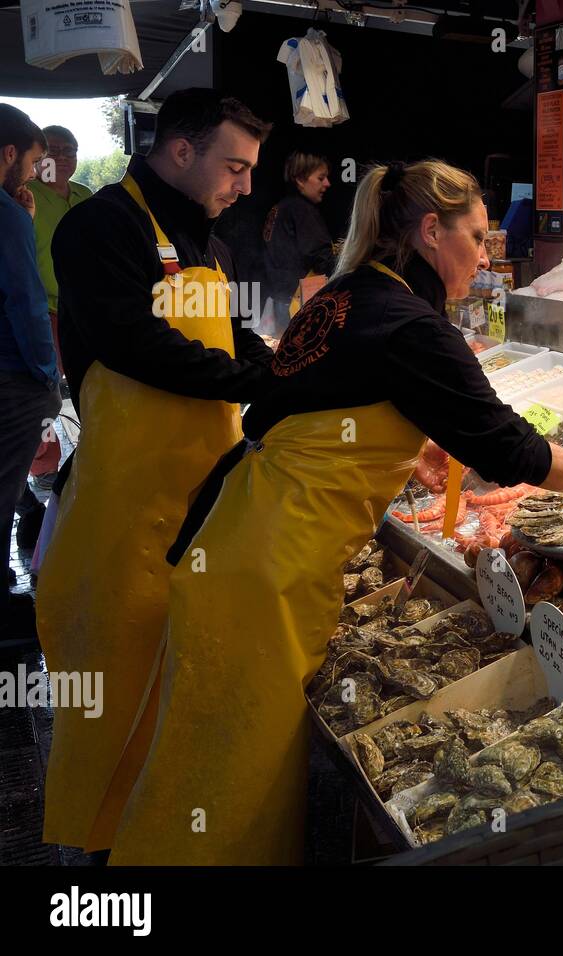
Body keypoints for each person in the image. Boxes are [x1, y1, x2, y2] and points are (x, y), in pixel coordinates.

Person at [108, 159, 563, 865]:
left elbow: (299, 409)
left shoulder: (345, 294)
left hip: (240, 540)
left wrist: (400, 451)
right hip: (265, 570)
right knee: (225, 784)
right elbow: (512, 450)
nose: (485, 254)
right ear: (431, 230)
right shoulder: (412, 322)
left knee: (209, 760)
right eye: (477, 237)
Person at [38, 89, 276, 854]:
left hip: (201, 503)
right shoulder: (98, 227)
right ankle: (104, 852)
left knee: (183, 687)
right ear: (180, 150)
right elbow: (135, 344)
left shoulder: (207, 241)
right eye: (234, 167)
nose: (244, 186)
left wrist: (295, 371)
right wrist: (259, 385)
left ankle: (168, 835)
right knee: (111, 689)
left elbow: (234, 336)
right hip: (121, 510)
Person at [0, 105, 61, 630]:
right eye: (35, 161)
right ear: (9, 154)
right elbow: (26, 298)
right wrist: (47, 374)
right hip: (11, 378)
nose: (35, 174)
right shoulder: (7, 215)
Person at [16, 126, 91, 549]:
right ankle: (39, 476)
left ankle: (88, 460)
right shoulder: (23, 199)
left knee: (87, 385)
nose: (64, 157)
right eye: (55, 150)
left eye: (71, 149)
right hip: (39, 310)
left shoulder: (85, 196)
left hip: (82, 308)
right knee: (42, 393)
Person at [263, 150, 333, 333]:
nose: (327, 183)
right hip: (299, 304)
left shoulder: (281, 207)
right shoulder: (302, 210)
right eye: (321, 178)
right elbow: (321, 258)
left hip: (280, 300)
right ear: (300, 180)